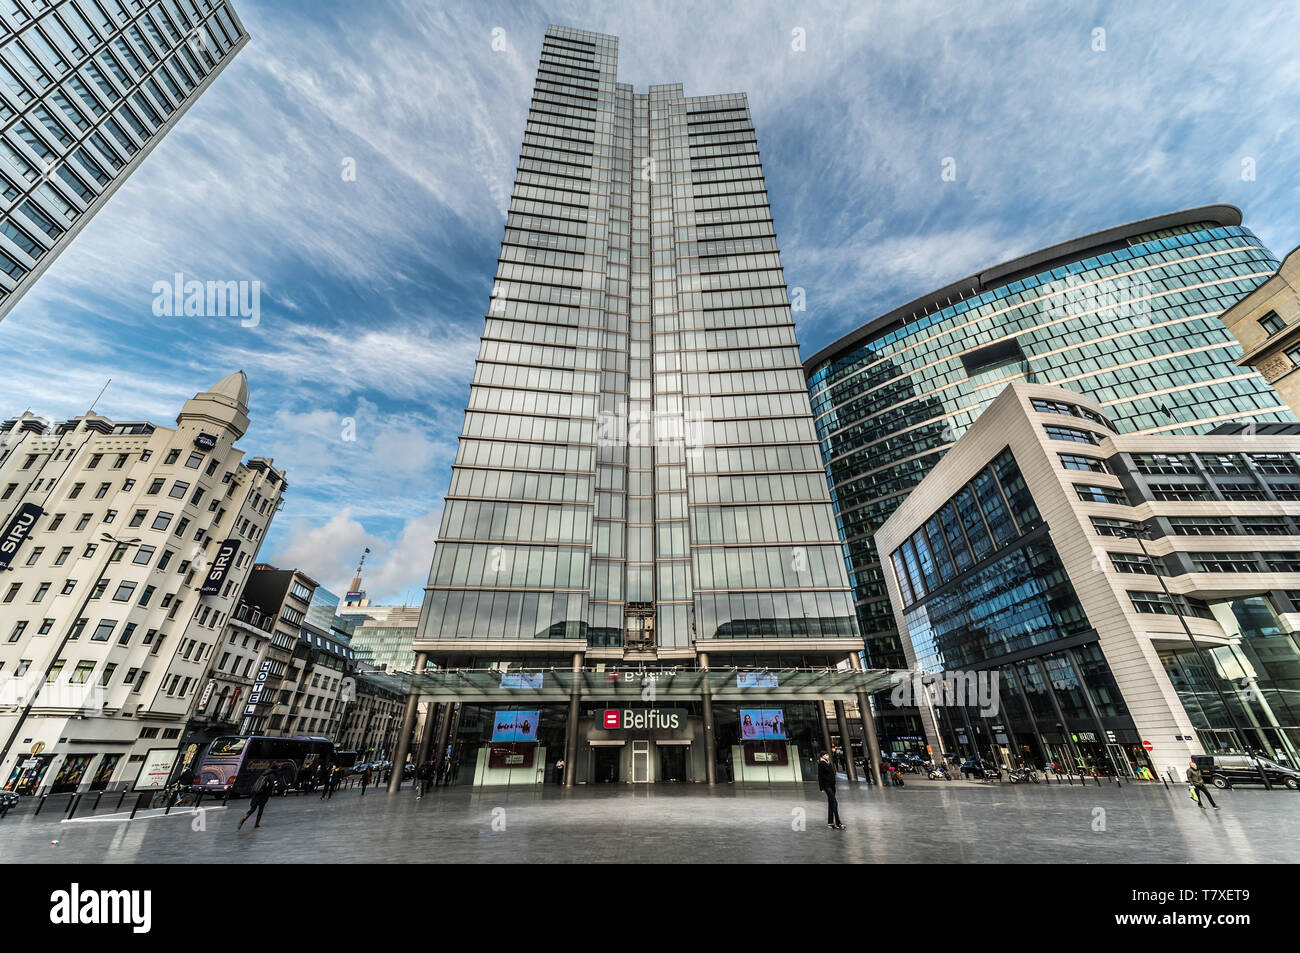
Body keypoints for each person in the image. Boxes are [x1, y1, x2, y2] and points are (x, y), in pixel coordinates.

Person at [817, 752, 844, 830]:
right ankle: (838, 823)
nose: (827, 756)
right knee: (835, 802)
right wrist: (821, 787)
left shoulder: (829, 763)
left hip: (832, 785)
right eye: (826, 755)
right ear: (822, 756)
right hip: (827, 786)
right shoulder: (821, 764)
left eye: (828, 755)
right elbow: (820, 776)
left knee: (831, 803)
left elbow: (832, 773)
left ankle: (830, 822)